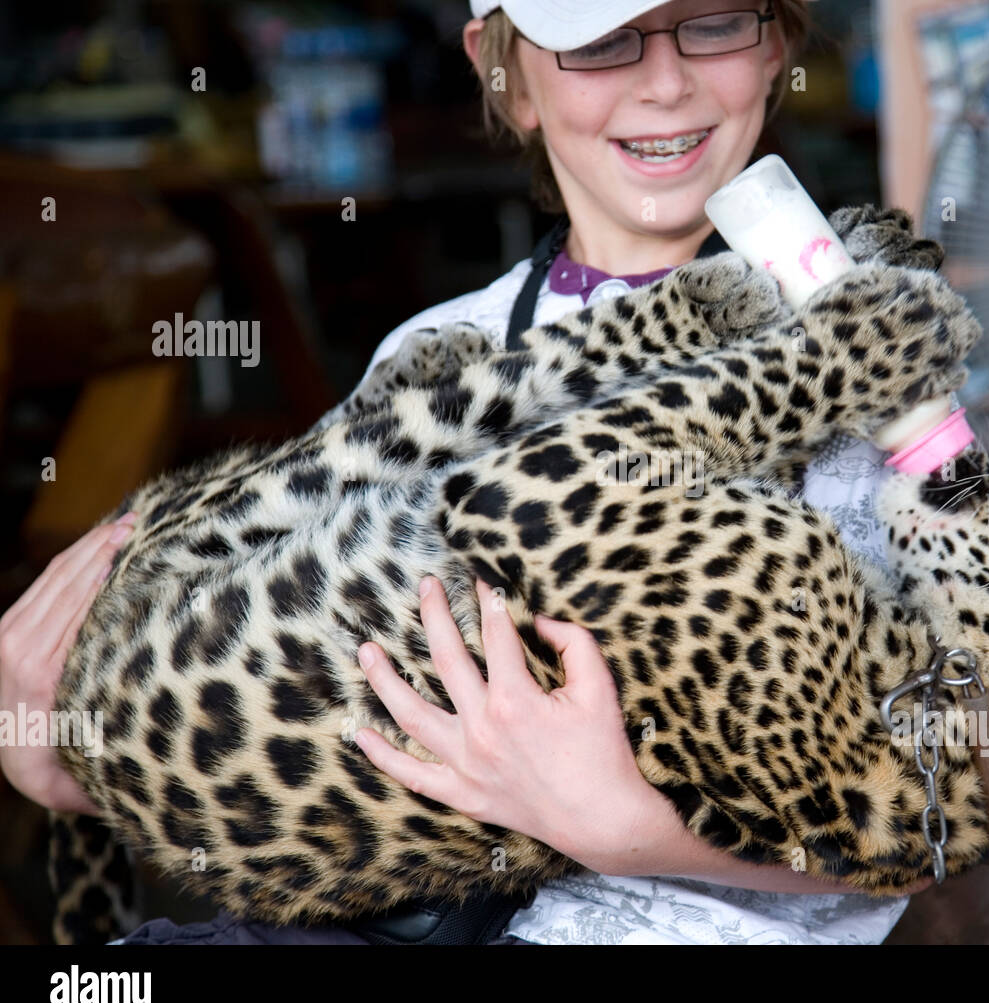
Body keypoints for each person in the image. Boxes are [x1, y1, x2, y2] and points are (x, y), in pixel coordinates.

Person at [0, 0, 931, 946]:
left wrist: (631, 831)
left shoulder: (881, 343)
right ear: (505, 74)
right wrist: (62, 760)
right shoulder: (442, 351)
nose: (664, 81)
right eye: (601, 42)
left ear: (776, 42)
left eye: (715, 20)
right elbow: (287, 716)